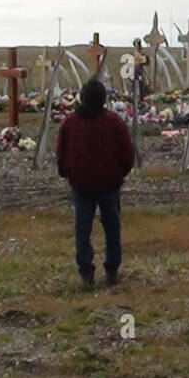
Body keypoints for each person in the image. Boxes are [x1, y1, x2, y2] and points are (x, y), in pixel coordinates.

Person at [55, 78, 135, 288]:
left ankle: (86, 272)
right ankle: (112, 269)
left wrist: (67, 172)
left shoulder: (70, 123)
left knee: (82, 228)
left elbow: (61, 152)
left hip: (81, 184)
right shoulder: (113, 121)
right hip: (109, 184)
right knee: (111, 226)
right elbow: (127, 153)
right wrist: (118, 174)